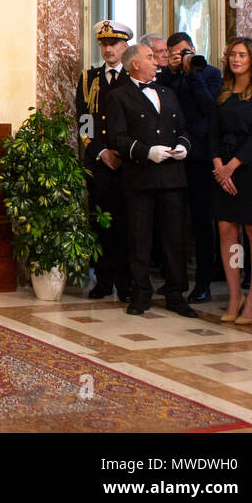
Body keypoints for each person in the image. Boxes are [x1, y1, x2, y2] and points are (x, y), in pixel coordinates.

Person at [104, 43, 197, 318]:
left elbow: (183, 128)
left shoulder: (167, 93)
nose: (157, 61)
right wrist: (147, 152)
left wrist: (183, 147)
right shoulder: (118, 96)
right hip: (140, 176)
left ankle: (175, 294)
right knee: (139, 238)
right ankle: (141, 292)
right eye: (150, 57)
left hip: (172, 177)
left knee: (173, 239)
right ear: (134, 64)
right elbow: (117, 138)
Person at [209, 37, 252, 324]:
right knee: (227, 230)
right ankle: (235, 296)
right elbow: (211, 134)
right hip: (223, 169)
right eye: (232, 54)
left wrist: (233, 166)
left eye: (242, 55)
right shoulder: (221, 91)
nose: (236, 59)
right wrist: (219, 167)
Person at [157, 31, 221, 303]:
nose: (181, 59)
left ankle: (204, 281)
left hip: (201, 159)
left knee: (201, 222)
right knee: (173, 221)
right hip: (174, 157)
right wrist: (172, 72)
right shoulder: (170, 78)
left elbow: (210, 107)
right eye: (174, 55)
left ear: (193, 49)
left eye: (184, 53)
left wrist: (192, 72)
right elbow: (161, 101)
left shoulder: (211, 73)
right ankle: (175, 279)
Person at [77, 20, 132, 301]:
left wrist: (122, 153)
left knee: (126, 224)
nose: (108, 49)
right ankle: (102, 279)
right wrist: (101, 152)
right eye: (104, 44)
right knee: (100, 224)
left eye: (113, 44)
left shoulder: (133, 77)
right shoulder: (90, 79)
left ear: (125, 47)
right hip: (100, 164)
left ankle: (125, 282)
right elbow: (85, 122)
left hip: (128, 165)